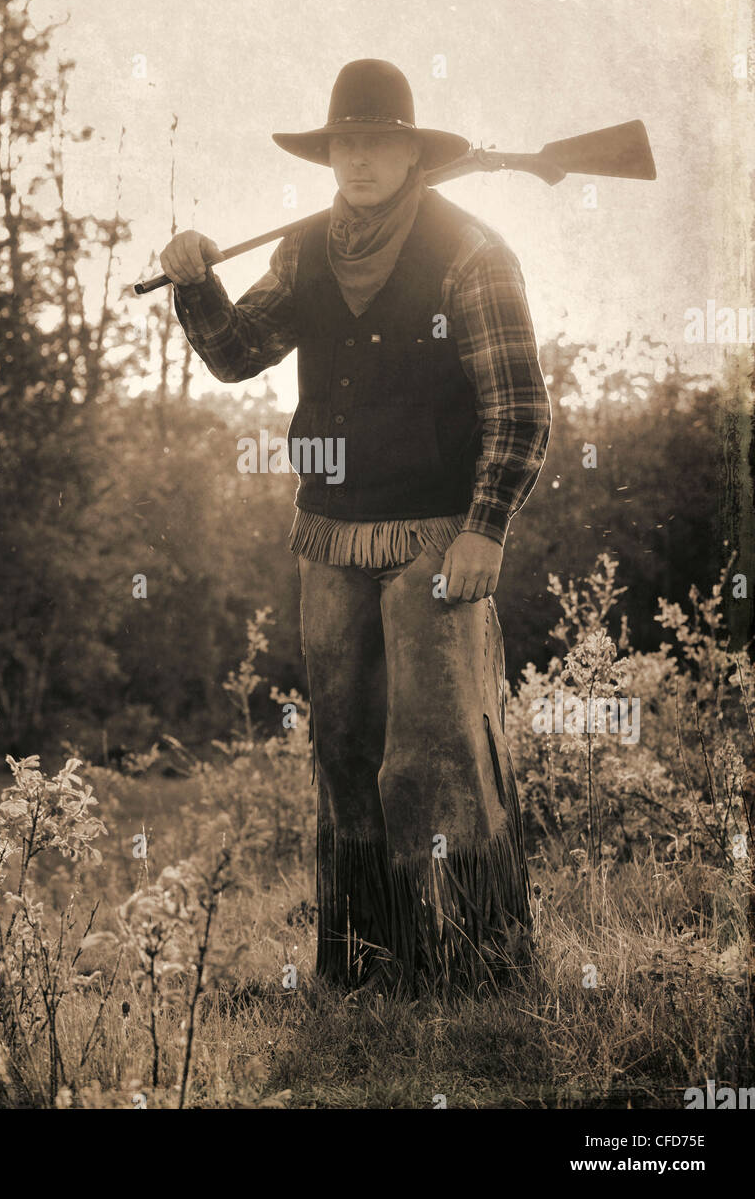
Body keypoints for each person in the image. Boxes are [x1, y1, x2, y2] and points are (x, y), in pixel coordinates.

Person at [162, 58, 552, 995]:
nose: (360, 157)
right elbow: (236, 355)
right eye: (345, 141)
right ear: (329, 151)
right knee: (343, 748)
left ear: (411, 152)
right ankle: (368, 964)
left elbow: (521, 411)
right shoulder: (303, 252)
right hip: (329, 533)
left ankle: (471, 969)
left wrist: (484, 528)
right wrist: (195, 281)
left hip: (435, 533)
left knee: (434, 752)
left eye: (379, 141)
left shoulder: (474, 252)